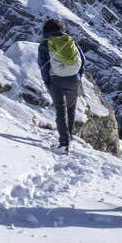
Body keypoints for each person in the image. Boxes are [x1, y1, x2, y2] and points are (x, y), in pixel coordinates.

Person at [37, 19, 83, 153]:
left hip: (56, 80)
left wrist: (47, 82)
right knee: (71, 109)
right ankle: (69, 138)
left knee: (60, 111)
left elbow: (43, 66)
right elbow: (82, 60)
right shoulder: (70, 41)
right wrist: (78, 76)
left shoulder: (44, 45)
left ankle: (64, 143)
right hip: (73, 79)